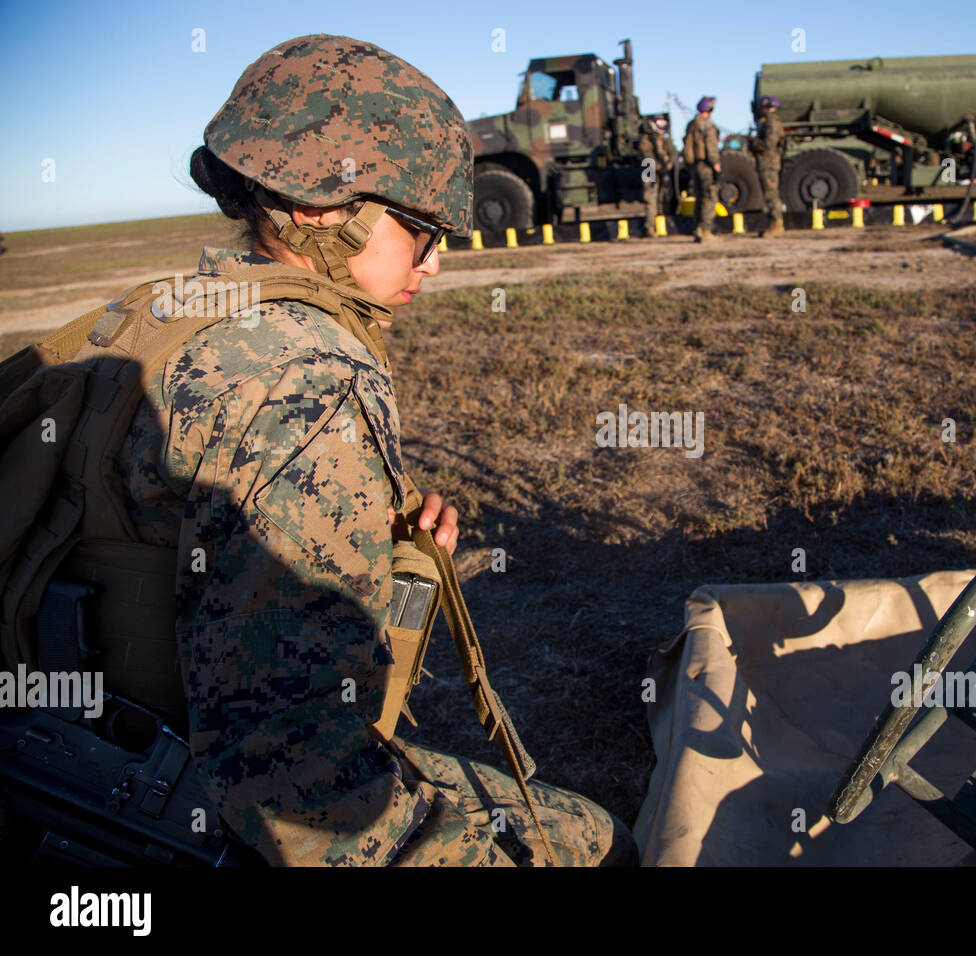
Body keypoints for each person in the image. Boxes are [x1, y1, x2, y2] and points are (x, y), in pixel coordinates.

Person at [33, 35, 638, 867]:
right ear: (323, 208)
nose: (436, 258)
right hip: (178, 802)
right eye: (422, 228)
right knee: (597, 844)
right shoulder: (304, 376)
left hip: (87, 751)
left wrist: (368, 537)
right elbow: (300, 795)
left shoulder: (165, 314)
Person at [683, 97, 722, 243]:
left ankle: (698, 229)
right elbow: (711, 147)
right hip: (706, 165)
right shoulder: (707, 125)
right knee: (709, 197)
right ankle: (706, 230)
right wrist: (716, 165)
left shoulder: (692, 125)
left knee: (699, 198)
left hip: (694, 166)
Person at [751, 96, 785, 237]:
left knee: (771, 194)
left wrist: (753, 142)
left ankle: (776, 225)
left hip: (768, 163)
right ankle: (774, 224)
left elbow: (768, 145)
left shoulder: (771, 122)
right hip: (767, 162)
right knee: (770, 194)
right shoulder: (769, 122)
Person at [638, 115, 676, 237]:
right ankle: (650, 227)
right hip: (649, 168)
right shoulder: (646, 140)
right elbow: (647, 157)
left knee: (662, 197)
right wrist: (660, 167)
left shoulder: (664, 140)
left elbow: (673, 152)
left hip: (662, 170)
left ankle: (661, 224)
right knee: (650, 199)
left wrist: (669, 163)